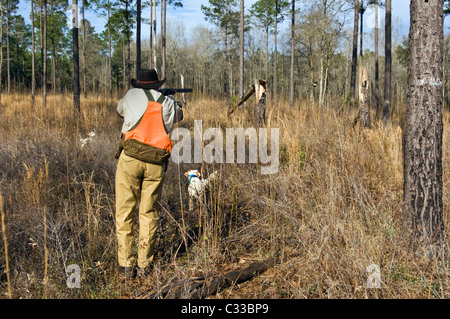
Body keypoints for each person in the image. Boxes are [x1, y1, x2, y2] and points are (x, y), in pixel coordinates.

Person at [115, 69, 183, 278]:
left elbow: (120, 111)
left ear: (140, 83)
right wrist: (171, 99)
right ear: (157, 85)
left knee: (124, 212)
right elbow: (179, 116)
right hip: (155, 163)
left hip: (130, 160)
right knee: (149, 213)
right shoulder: (167, 102)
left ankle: (126, 265)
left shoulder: (130, 95)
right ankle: (145, 265)